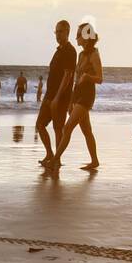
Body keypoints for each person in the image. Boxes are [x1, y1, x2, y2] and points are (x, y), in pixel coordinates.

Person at [47, 21, 101, 171]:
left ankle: (55, 159)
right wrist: (71, 100)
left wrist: (88, 77)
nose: (76, 38)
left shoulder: (94, 55)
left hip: (87, 96)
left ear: (85, 37)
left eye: (78, 35)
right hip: (77, 95)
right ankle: (95, 161)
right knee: (87, 131)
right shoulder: (81, 54)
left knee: (67, 127)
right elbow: (77, 80)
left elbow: (100, 78)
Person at [35, 19, 76, 165]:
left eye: (60, 32)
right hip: (49, 95)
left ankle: (56, 160)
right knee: (40, 125)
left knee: (58, 128)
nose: (57, 35)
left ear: (67, 32)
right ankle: (50, 154)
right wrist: (48, 96)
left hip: (61, 97)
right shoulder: (58, 50)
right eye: (56, 32)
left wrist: (57, 98)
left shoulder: (70, 51)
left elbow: (68, 76)